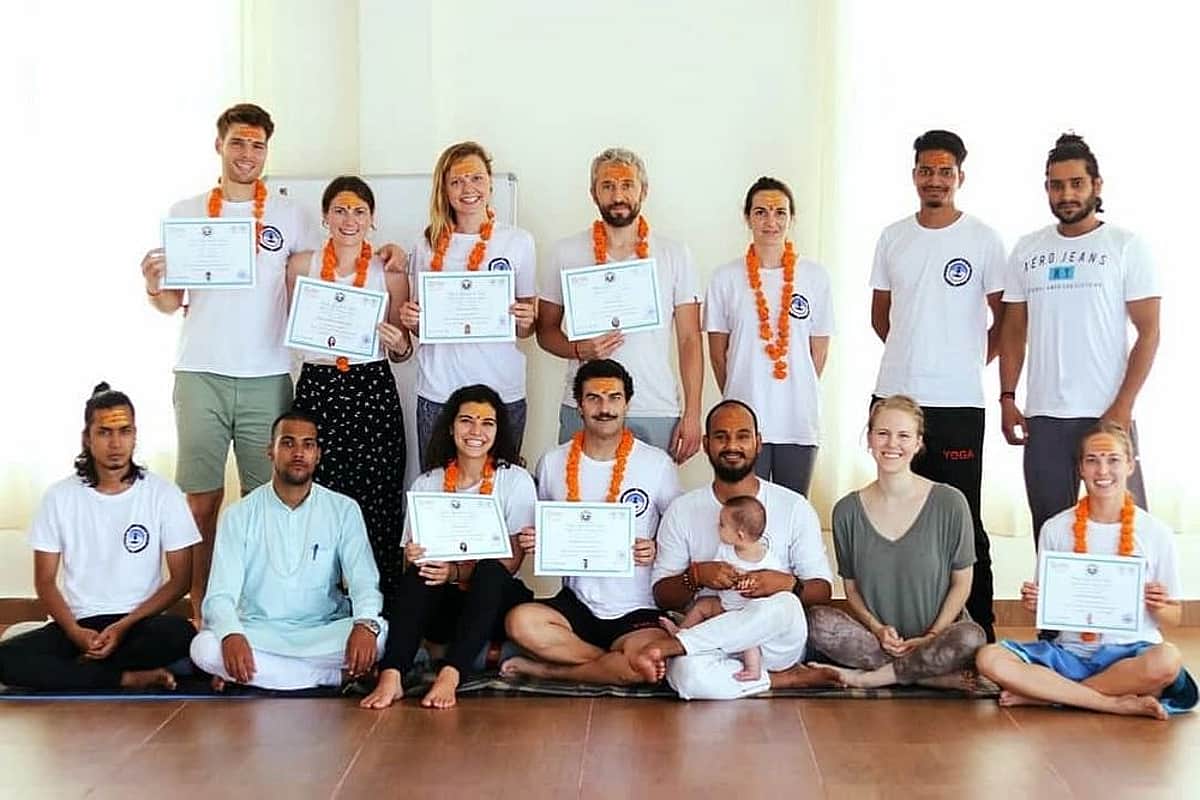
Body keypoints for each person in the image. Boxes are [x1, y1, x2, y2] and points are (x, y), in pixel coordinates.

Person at [139, 103, 403, 619]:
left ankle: (261, 608)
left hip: (269, 375)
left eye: (257, 145)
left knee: (275, 503)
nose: (247, 154)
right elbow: (172, 302)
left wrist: (386, 252)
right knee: (201, 503)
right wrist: (153, 286)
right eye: (237, 142)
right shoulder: (187, 212)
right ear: (219, 145)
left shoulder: (292, 216)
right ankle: (203, 613)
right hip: (200, 371)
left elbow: (336, 263)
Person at [868, 130, 1006, 640]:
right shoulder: (893, 237)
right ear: (914, 176)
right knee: (895, 513)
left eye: (945, 171)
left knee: (962, 518)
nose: (936, 180)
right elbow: (882, 317)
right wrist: (914, 358)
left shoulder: (984, 239)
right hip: (895, 396)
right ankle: (900, 628)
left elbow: (1007, 318)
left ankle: (982, 631)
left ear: (960, 177)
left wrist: (969, 359)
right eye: (926, 170)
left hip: (958, 404)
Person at [999, 133, 1160, 543]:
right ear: (1047, 189)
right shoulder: (1026, 249)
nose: (1066, 193)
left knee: (1125, 533)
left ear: (1096, 185)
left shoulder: (1125, 246)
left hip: (1107, 415)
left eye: (1076, 183)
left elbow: (1149, 331)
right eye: (1057, 185)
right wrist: (1008, 398)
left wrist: (1123, 406)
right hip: (1045, 417)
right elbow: (1014, 330)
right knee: (1052, 534)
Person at [976, 422, 1196, 719]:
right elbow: (1047, 613)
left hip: (1132, 654)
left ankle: (1051, 696)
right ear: (1080, 468)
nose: (1102, 471)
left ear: (1130, 465)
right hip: (1070, 654)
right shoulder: (1056, 528)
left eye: (1113, 460)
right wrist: (1036, 603)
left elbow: (1173, 617)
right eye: (1092, 460)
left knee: (1167, 660)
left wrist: (1157, 605)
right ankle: (1109, 701)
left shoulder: (1156, 533)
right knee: (989, 657)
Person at [0, 384, 198, 692]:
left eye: (125, 431)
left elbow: (181, 580)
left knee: (180, 636)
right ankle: (126, 677)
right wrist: (75, 632)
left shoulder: (163, 494)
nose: (116, 443)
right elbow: (45, 581)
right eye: (105, 432)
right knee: (5, 660)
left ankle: (79, 672)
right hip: (78, 626)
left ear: (135, 435)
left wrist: (123, 626)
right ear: (87, 438)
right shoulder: (59, 496)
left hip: (138, 625)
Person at [638, 400, 839, 699]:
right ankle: (783, 681)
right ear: (706, 445)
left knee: (784, 605)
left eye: (743, 436)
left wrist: (784, 584)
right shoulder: (683, 510)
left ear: (758, 443)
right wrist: (696, 576)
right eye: (721, 436)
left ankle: (679, 644)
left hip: (774, 642)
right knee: (686, 677)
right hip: (714, 641)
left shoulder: (794, 506)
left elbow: (822, 590)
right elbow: (662, 594)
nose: (732, 445)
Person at [501, 359, 682, 685]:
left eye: (614, 397)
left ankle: (551, 670)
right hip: (577, 605)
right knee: (520, 622)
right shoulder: (554, 462)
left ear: (627, 403)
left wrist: (657, 548)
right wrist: (537, 541)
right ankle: (614, 666)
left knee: (649, 659)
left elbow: (679, 535)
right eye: (593, 398)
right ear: (579, 405)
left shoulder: (657, 464)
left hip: (636, 609)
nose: (605, 408)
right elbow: (546, 527)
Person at [361, 385, 535, 710]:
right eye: (467, 421)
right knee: (418, 575)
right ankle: (392, 674)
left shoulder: (515, 480)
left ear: (498, 430)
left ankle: (450, 674)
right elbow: (410, 559)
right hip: (441, 603)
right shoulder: (428, 482)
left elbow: (510, 561)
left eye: (487, 423)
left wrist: (454, 570)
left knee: (490, 571)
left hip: (491, 598)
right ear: (451, 426)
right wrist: (414, 556)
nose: (476, 431)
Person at [189, 409, 386, 691]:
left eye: (308, 445)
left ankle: (260, 674)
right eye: (288, 442)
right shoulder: (239, 514)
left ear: (318, 454)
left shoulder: (343, 509)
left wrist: (365, 624)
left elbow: (364, 581)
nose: (298, 453)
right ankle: (332, 677)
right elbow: (220, 594)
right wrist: (232, 634)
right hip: (259, 631)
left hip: (322, 630)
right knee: (205, 648)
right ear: (271, 450)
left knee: (379, 636)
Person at [536, 147, 703, 464]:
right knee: (581, 502)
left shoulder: (674, 254)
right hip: (583, 406)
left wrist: (693, 413)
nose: (618, 195)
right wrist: (578, 350)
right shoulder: (565, 252)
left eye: (627, 185)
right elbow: (544, 331)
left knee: (650, 507)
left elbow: (690, 339)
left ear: (644, 190)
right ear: (593, 193)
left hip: (655, 405)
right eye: (607, 186)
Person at [806, 396, 986, 689]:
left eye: (903, 436)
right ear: (870, 439)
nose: (892, 444)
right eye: (883, 434)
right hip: (878, 642)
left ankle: (874, 678)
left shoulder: (950, 502)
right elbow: (851, 588)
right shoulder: (846, 511)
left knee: (971, 637)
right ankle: (930, 678)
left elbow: (962, 583)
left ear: (918, 443)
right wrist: (877, 630)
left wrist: (932, 636)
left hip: (939, 638)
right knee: (817, 622)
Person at [287, 176, 410, 598]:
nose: (349, 219)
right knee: (316, 497)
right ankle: (315, 603)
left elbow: (403, 350)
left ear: (372, 219)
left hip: (371, 389)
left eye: (359, 211)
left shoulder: (390, 271)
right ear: (325, 216)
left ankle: (377, 607)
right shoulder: (301, 265)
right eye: (340, 210)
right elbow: (292, 326)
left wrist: (399, 343)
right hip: (319, 389)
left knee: (376, 502)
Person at [401, 141, 537, 459]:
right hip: (439, 391)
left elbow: (528, 327)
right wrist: (414, 321)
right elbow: (423, 327)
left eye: (476, 178)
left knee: (499, 489)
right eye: (456, 181)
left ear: (490, 183)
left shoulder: (518, 242)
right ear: (444, 190)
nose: (468, 188)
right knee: (439, 491)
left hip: (501, 390)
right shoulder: (427, 243)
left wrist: (525, 320)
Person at [705, 176, 833, 496]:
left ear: (792, 218)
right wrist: (740, 390)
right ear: (747, 217)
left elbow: (818, 352)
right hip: (744, 417)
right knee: (746, 507)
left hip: (798, 417)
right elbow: (718, 353)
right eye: (760, 212)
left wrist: (793, 385)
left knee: (791, 507)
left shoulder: (815, 277)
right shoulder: (725, 278)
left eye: (780, 212)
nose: (770, 221)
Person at [661, 496, 781, 682]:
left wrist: (750, 581)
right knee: (702, 605)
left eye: (722, 525)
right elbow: (718, 570)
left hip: (746, 614)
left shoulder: (769, 560)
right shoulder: (726, 549)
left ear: (740, 534)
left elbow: (774, 587)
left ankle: (753, 669)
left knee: (751, 638)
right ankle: (682, 632)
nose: (717, 528)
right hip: (725, 606)